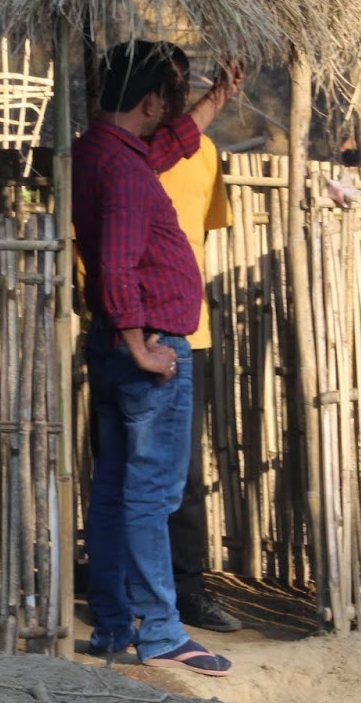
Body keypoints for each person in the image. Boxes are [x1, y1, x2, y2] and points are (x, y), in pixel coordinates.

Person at [73, 39, 239, 677]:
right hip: (147, 347)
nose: (171, 117)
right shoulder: (121, 170)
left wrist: (216, 98)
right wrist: (142, 342)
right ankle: (163, 633)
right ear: (147, 102)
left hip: (118, 345)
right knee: (151, 495)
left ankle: (115, 626)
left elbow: (171, 144)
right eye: (166, 104)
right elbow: (115, 264)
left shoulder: (106, 150)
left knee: (115, 491)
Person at [157, 90, 241, 634]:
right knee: (128, 472)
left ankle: (187, 590)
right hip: (131, 328)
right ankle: (132, 591)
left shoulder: (205, 153)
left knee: (184, 475)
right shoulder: (118, 155)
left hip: (191, 330)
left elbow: (199, 234)